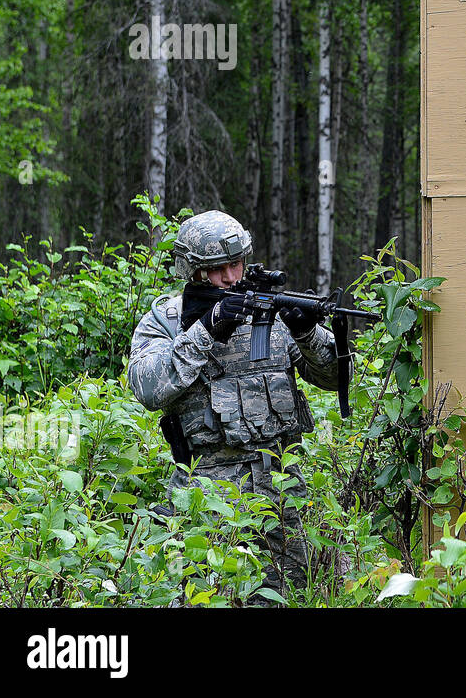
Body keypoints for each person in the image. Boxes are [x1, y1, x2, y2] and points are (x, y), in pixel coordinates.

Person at [127, 210, 343, 602]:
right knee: (204, 595)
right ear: (192, 271)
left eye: (236, 264)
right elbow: (147, 387)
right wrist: (205, 330)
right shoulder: (167, 321)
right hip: (205, 495)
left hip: (281, 493)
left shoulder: (269, 315)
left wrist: (308, 333)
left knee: (293, 595)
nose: (230, 277)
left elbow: (335, 379)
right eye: (218, 269)